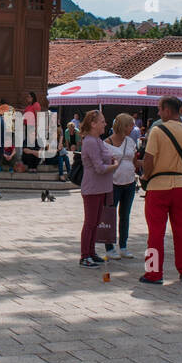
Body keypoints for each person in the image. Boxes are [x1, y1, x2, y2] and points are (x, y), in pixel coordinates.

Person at [139, 96, 182, 284]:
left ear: (166, 110)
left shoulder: (157, 131)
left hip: (158, 186)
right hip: (181, 185)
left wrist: (145, 176)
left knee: (155, 232)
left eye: (159, 109)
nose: (158, 113)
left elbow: (148, 160)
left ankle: (154, 273)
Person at [77, 110, 116, 267]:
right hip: (92, 187)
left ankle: (91, 252)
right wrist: (114, 166)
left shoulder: (98, 140)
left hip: (100, 187)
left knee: (95, 222)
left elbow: (106, 157)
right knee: (90, 222)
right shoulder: (91, 142)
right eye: (102, 121)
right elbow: (99, 168)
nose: (105, 124)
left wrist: (112, 161)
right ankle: (85, 255)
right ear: (93, 124)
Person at [103, 113, 139, 260]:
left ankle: (123, 245)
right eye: (131, 125)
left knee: (125, 215)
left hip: (129, 182)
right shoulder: (106, 143)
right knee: (110, 214)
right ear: (124, 126)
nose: (133, 127)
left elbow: (135, 160)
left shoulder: (130, 142)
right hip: (113, 183)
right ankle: (109, 247)